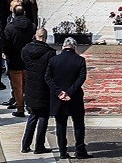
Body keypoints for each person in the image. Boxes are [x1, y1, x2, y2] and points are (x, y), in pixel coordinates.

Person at [46, 37, 87, 159]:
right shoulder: (80, 60)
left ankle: (62, 151)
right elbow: (81, 78)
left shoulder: (54, 60)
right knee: (78, 124)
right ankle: (80, 150)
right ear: (74, 47)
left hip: (58, 97)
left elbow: (48, 78)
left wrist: (59, 92)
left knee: (60, 125)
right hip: (74, 97)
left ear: (63, 46)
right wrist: (69, 92)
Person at [17, 27, 54, 156]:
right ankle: (39, 145)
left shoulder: (26, 50)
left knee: (32, 117)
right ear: (45, 37)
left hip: (31, 88)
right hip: (44, 89)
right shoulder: (50, 53)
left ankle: (25, 145)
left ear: (35, 36)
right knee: (43, 118)